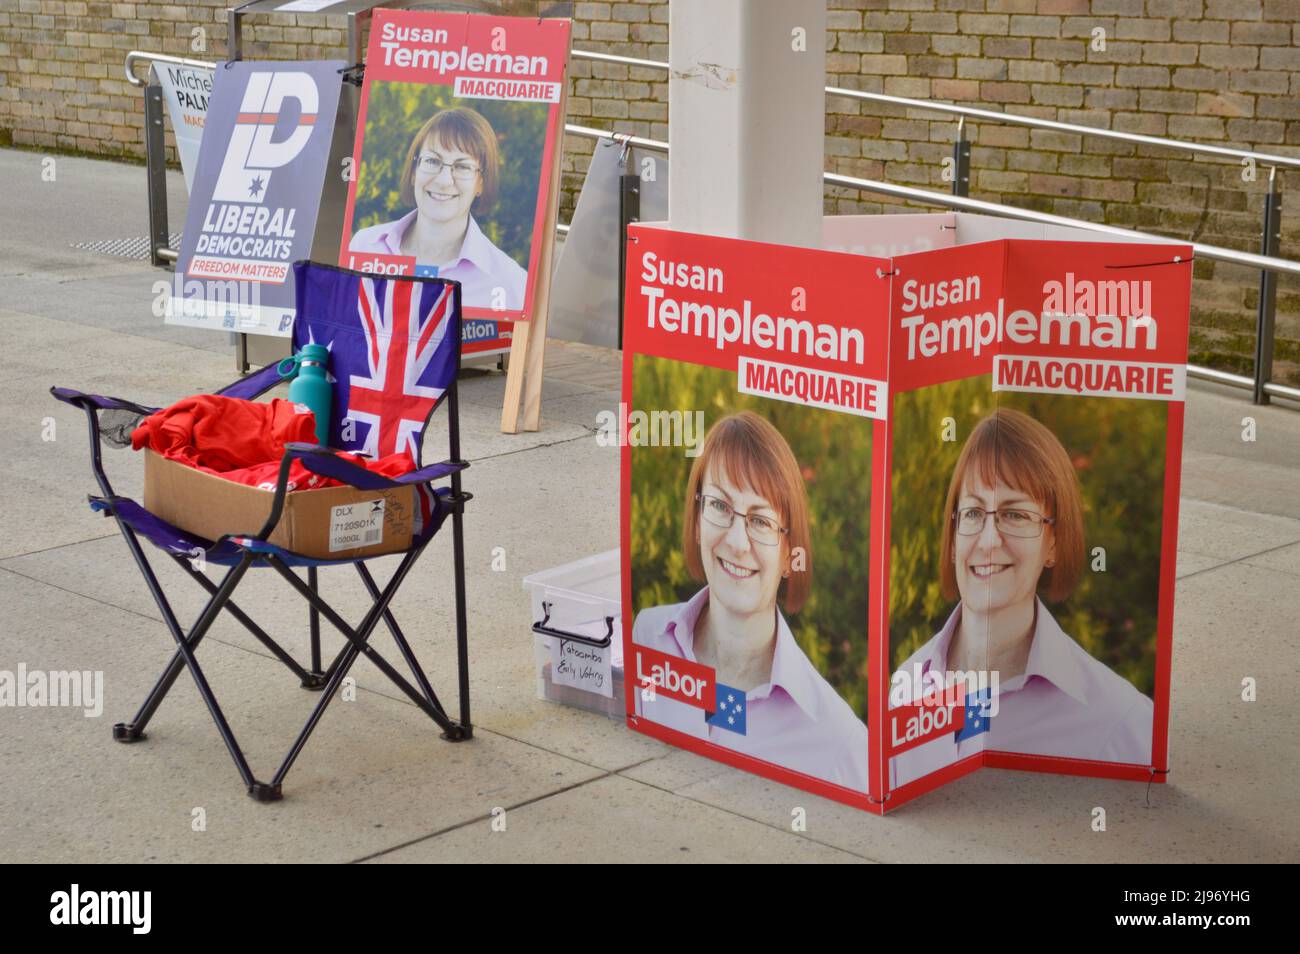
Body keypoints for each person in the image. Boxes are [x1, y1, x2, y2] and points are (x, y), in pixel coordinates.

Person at [890, 408, 1153, 789]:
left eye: (1014, 515)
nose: (989, 540)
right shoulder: (906, 684)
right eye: (974, 512)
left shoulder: (1119, 722)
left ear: (1054, 543)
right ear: (952, 537)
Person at [631, 411, 870, 792]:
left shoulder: (841, 743)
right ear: (696, 520)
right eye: (720, 507)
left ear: (791, 553)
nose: (737, 542)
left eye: (761, 522)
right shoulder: (645, 636)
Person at [347, 107, 527, 309]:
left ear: (481, 183)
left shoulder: (512, 284)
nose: (443, 181)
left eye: (462, 166)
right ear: (414, 170)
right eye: (433, 161)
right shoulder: (364, 245)